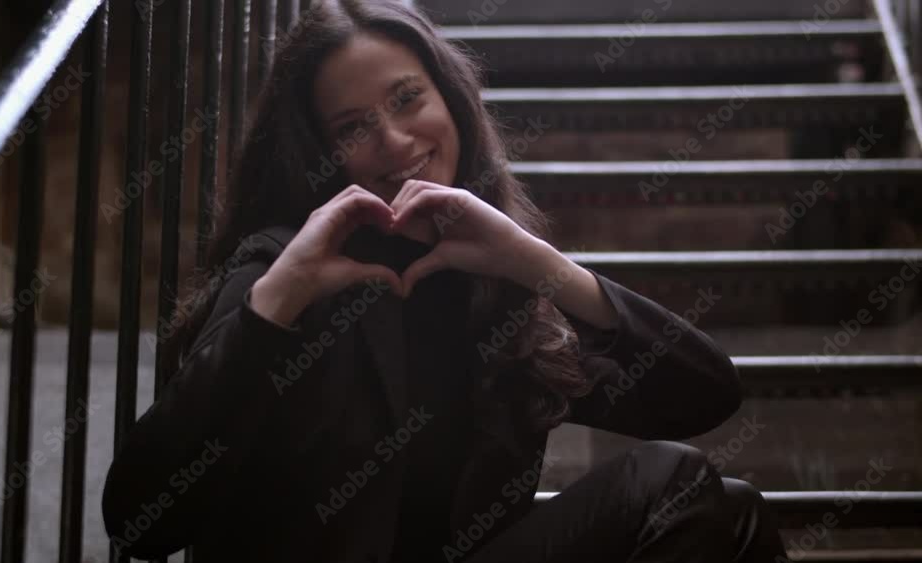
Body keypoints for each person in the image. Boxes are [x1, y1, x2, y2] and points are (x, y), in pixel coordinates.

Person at [101, 1, 791, 561]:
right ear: (319, 154)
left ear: (452, 100)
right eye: (353, 128)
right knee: (689, 489)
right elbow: (140, 519)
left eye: (408, 99)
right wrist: (279, 297)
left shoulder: (493, 278)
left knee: (716, 503)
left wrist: (540, 264)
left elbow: (705, 393)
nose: (396, 140)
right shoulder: (285, 267)